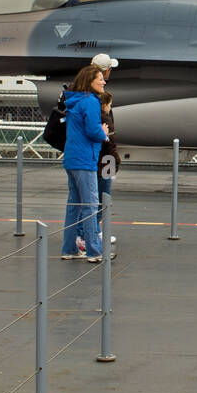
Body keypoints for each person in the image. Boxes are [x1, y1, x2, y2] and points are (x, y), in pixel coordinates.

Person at [60, 65, 109, 263]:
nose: (104, 81)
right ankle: (94, 251)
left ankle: (69, 248)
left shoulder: (75, 100)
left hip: (71, 158)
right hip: (85, 160)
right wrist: (103, 132)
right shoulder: (90, 101)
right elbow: (92, 131)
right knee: (89, 206)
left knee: (74, 206)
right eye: (100, 79)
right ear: (90, 82)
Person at [95, 90, 119, 259]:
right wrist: (117, 162)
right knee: (104, 197)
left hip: (101, 161)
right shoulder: (106, 120)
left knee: (99, 197)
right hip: (107, 161)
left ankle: (96, 230)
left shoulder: (97, 118)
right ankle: (96, 231)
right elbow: (110, 145)